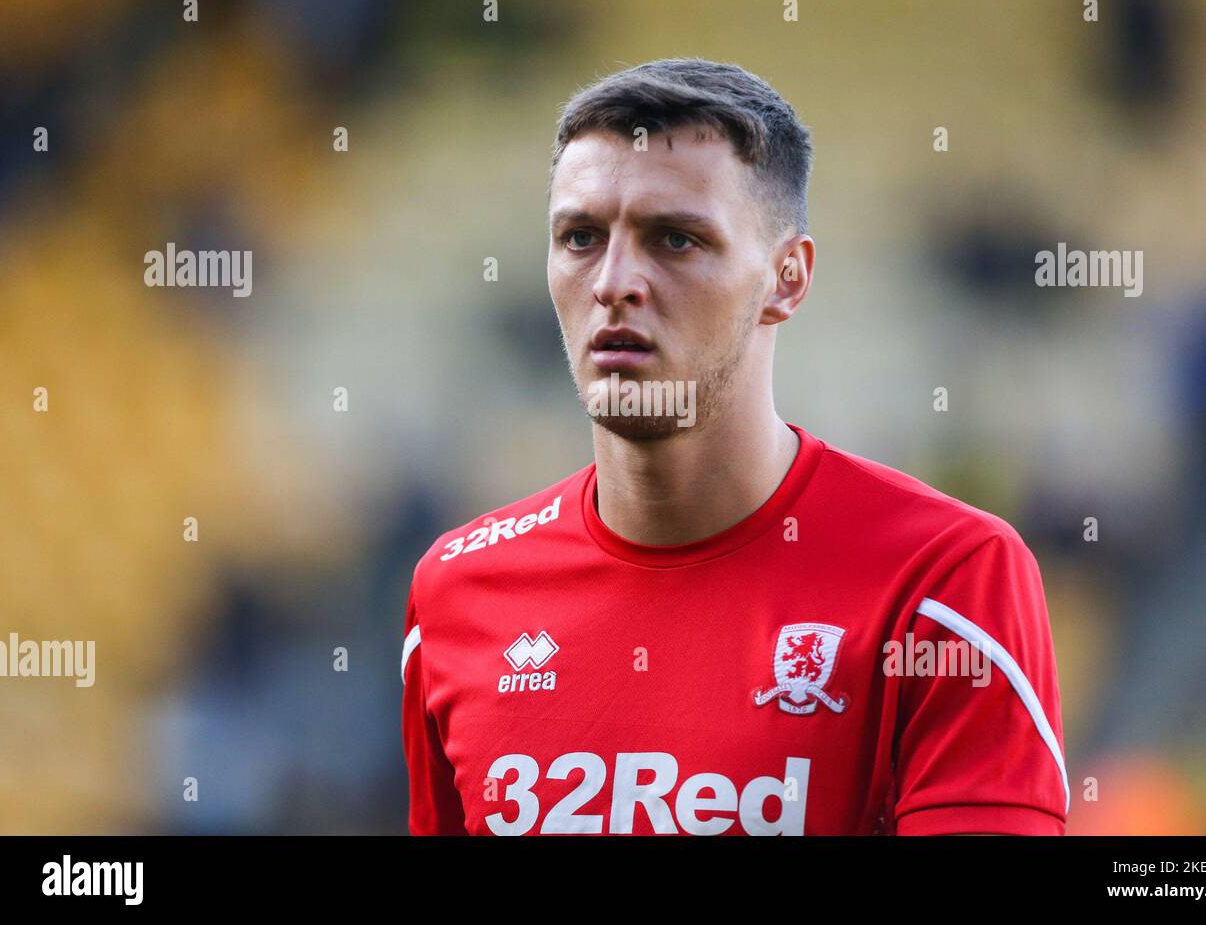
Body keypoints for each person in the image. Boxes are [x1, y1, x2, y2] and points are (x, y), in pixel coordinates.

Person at [401, 58, 1067, 835]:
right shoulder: (457, 592)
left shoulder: (943, 584)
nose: (616, 281)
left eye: (675, 240)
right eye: (580, 237)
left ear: (786, 278)